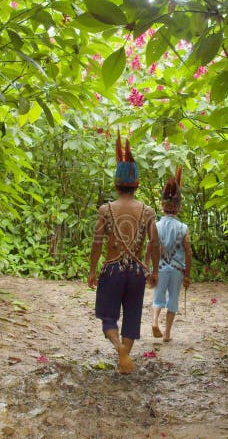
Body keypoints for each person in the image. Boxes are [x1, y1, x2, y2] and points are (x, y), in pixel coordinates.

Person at [88, 133, 160, 374]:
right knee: (132, 317)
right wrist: (154, 270)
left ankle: (119, 349)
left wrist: (92, 270)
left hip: (112, 270)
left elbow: (97, 243)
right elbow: (155, 243)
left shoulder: (105, 210)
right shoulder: (147, 211)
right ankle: (124, 358)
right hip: (137, 272)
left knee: (108, 318)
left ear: (116, 184)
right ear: (137, 184)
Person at [148, 167, 192, 342]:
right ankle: (167, 334)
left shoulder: (156, 226)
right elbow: (188, 252)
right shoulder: (183, 228)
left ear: (162, 206)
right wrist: (187, 275)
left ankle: (154, 322)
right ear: (178, 208)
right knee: (173, 300)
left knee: (158, 298)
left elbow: (150, 246)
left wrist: (148, 267)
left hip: (159, 268)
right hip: (176, 270)